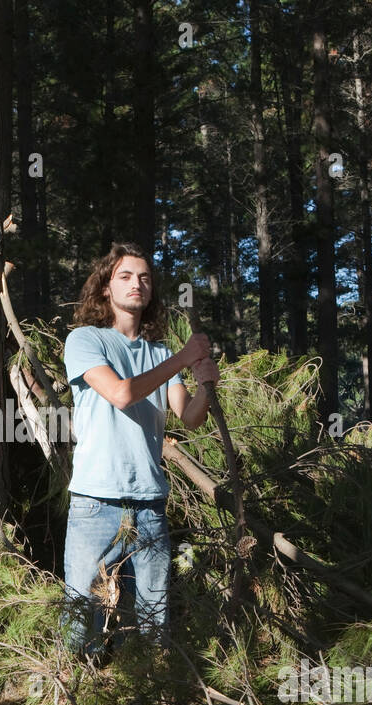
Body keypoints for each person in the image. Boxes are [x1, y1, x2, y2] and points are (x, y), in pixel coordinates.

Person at [60, 241, 218, 666]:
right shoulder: (84, 340)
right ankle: (74, 694)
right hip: (95, 502)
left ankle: (148, 692)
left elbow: (190, 417)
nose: (137, 284)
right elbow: (121, 393)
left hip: (149, 504)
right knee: (81, 618)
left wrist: (207, 384)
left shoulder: (160, 353)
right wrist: (184, 357)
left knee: (152, 620)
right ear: (105, 287)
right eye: (125, 276)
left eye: (145, 277)